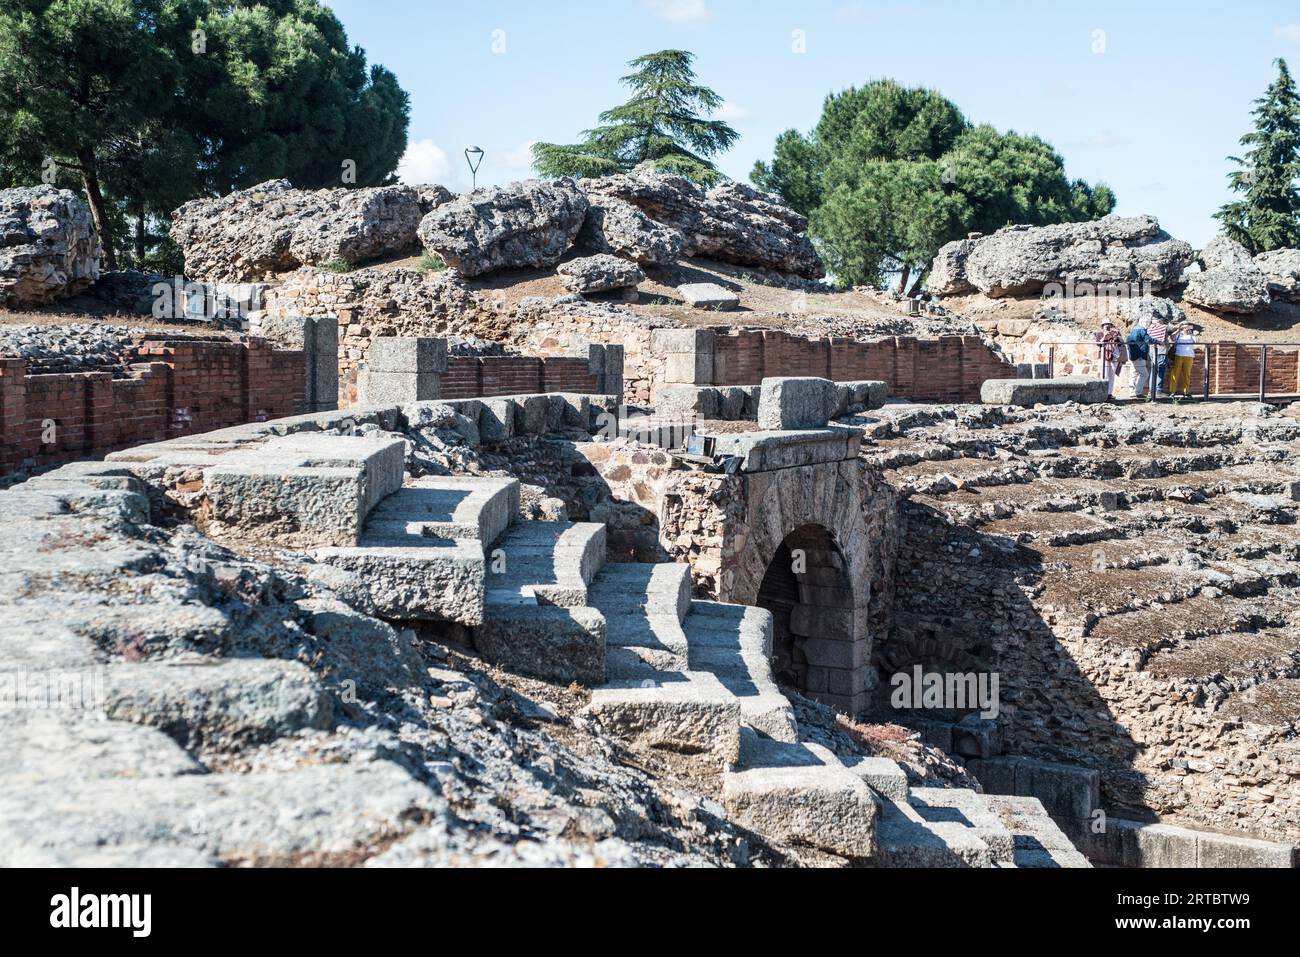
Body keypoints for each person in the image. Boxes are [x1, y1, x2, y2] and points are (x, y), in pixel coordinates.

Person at [1094, 320, 1124, 400]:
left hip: (1114, 355)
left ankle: (1109, 393)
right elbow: (1098, 344)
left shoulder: (1115, 333)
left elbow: (1120, 343)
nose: (1107, 327)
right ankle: (1102, 393)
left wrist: (1116, 336)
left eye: (1109, 325)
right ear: (1102, 326)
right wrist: (1104, 336)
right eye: (1105, 325)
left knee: (1111, 375)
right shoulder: (1099, 334)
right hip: (1104, 356)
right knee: (1104, 374)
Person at [1126, 316, 1154, 399]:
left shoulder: (1133, 330)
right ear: (1144, 322)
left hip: (1133, 355)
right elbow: (1148, 340)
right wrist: (1157, 341)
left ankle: (1131, 392)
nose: (1148, 325)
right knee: (1144, 374)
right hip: (1139, 356)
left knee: (1133, 374)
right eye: (1148, 323)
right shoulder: (1141, 329)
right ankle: (1138, 392)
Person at [1169, 322, 1197, 399]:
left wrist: (1191, 333)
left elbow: (1196, 341)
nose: (1185, 329)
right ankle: (1172, 392)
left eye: (1187, 327)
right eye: (1184, 327)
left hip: (1189, 356)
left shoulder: (1191, 335)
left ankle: (1186, 392)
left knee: (1187, 375)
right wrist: (1178, 330)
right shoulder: (1179, 334)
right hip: (1179, 355)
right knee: (1175, 373)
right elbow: (1172, 338)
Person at [1147, 312, 1171, 394]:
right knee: (1160, 371)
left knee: (1153, 370)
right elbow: (1173, 328)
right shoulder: (1163, 327)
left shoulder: (1150, 328)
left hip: (1151, 351)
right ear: (1160, 320)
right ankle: (1158, 390)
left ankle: (1151, 390)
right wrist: (1181, 325)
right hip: (1161, 351)